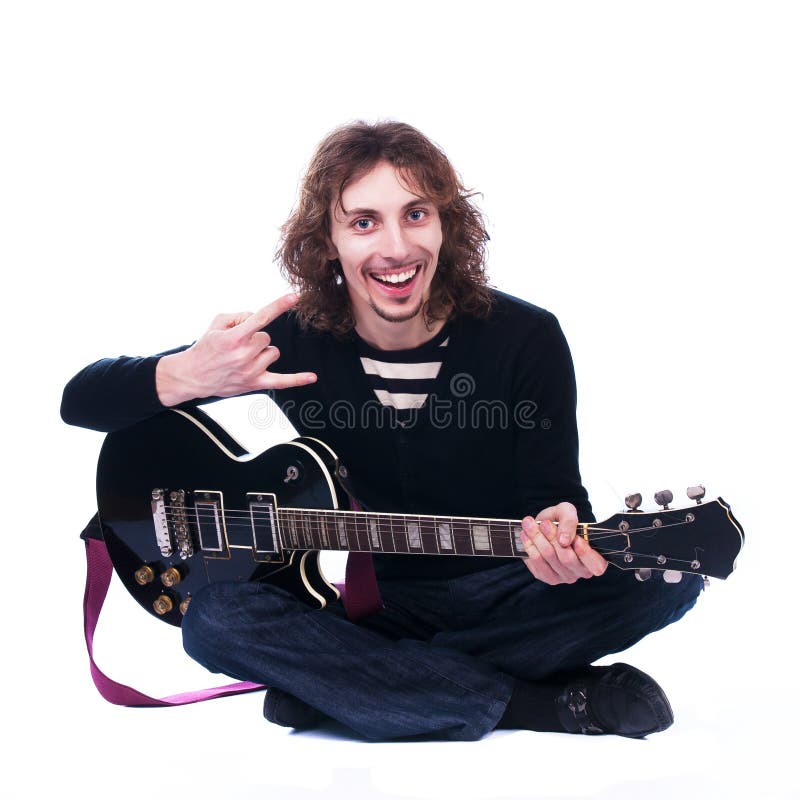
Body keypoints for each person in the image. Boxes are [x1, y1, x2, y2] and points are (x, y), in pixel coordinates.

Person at [61, 120, 703, 741]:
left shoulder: (526, 337)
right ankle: (534, 703)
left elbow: (554, 495)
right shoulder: (291, 340)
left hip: (505, 593)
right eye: (363, 223)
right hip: (368, 606)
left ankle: (352, 685)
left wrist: (561, 536)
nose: (396, 247)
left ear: (448, 224)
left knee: (665, 579)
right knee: (214, 622)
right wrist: (189, 374)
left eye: (416, 214)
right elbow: (81, 402)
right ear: (328, 241)